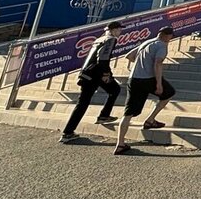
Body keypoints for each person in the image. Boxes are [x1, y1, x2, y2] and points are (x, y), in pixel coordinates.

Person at [113, 26, 177, 156]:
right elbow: (158, 64)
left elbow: (129, 56)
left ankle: (120, 143)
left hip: (133, 79)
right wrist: (159, 84)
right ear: (167, 36)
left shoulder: (147, 42)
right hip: (148, 78)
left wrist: (141, 64)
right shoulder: (162, 46)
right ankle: (150, 120)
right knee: (169, 93)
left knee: (128, 113)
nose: (170, 39)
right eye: (170, 36)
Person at [60, 20, 123, 143]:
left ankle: (103, 116)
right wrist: (106, 74)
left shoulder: (99, 39)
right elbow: (103, 58)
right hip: (96, 74)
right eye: (119, 29)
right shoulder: (110, 39)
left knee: (112, 90)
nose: (120, 32)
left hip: (88, 73)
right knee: (85, 102)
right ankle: (68, 132)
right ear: (113, 30)